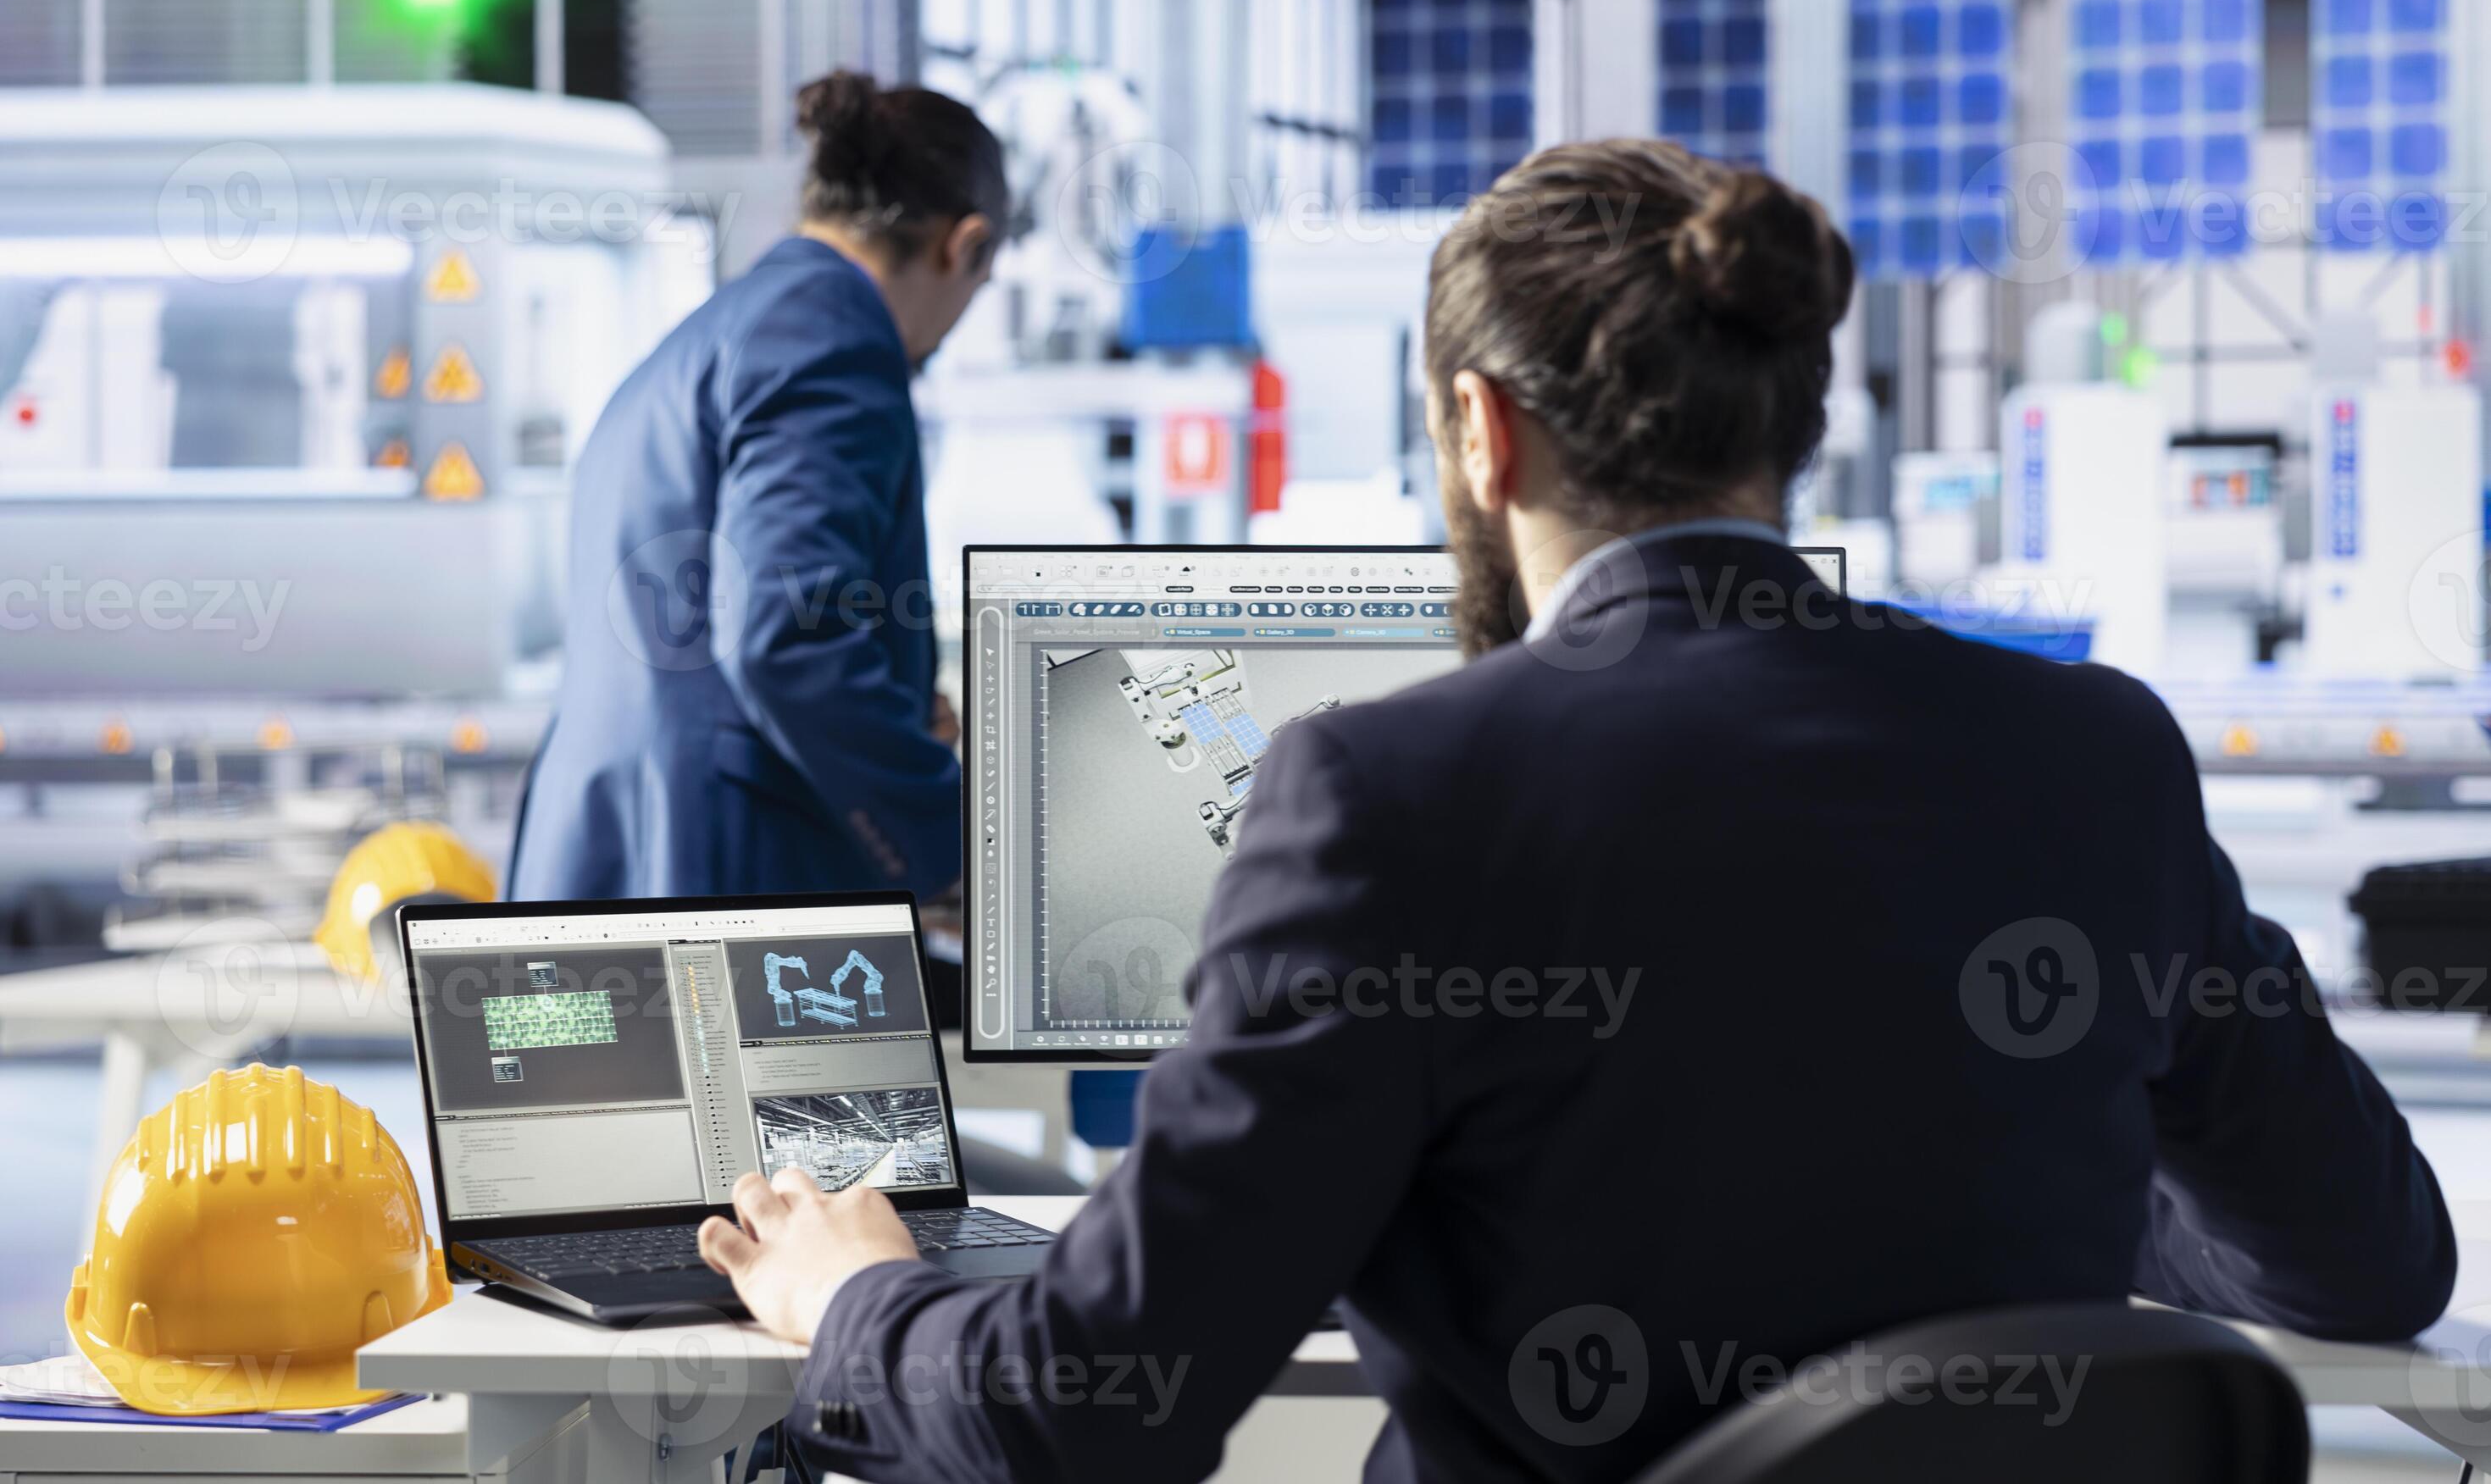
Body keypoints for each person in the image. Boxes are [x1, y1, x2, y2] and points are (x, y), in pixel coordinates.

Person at [696, 141, 2455, 1481]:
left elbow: (1090, 1405)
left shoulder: (1385, 793)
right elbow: (2368, 1258)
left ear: (1482, 431)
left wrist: (854, 1293)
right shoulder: (2095, 753)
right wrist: (2025, 1146)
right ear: (1791, 423)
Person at [510, 73, 1004, 901]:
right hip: (724, 876)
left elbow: (720, 630)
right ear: (966, 245)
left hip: (613, 853)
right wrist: (943, 831)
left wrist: (892, 710)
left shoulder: (719, 334)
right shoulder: (830, 334)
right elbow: (785, 631)